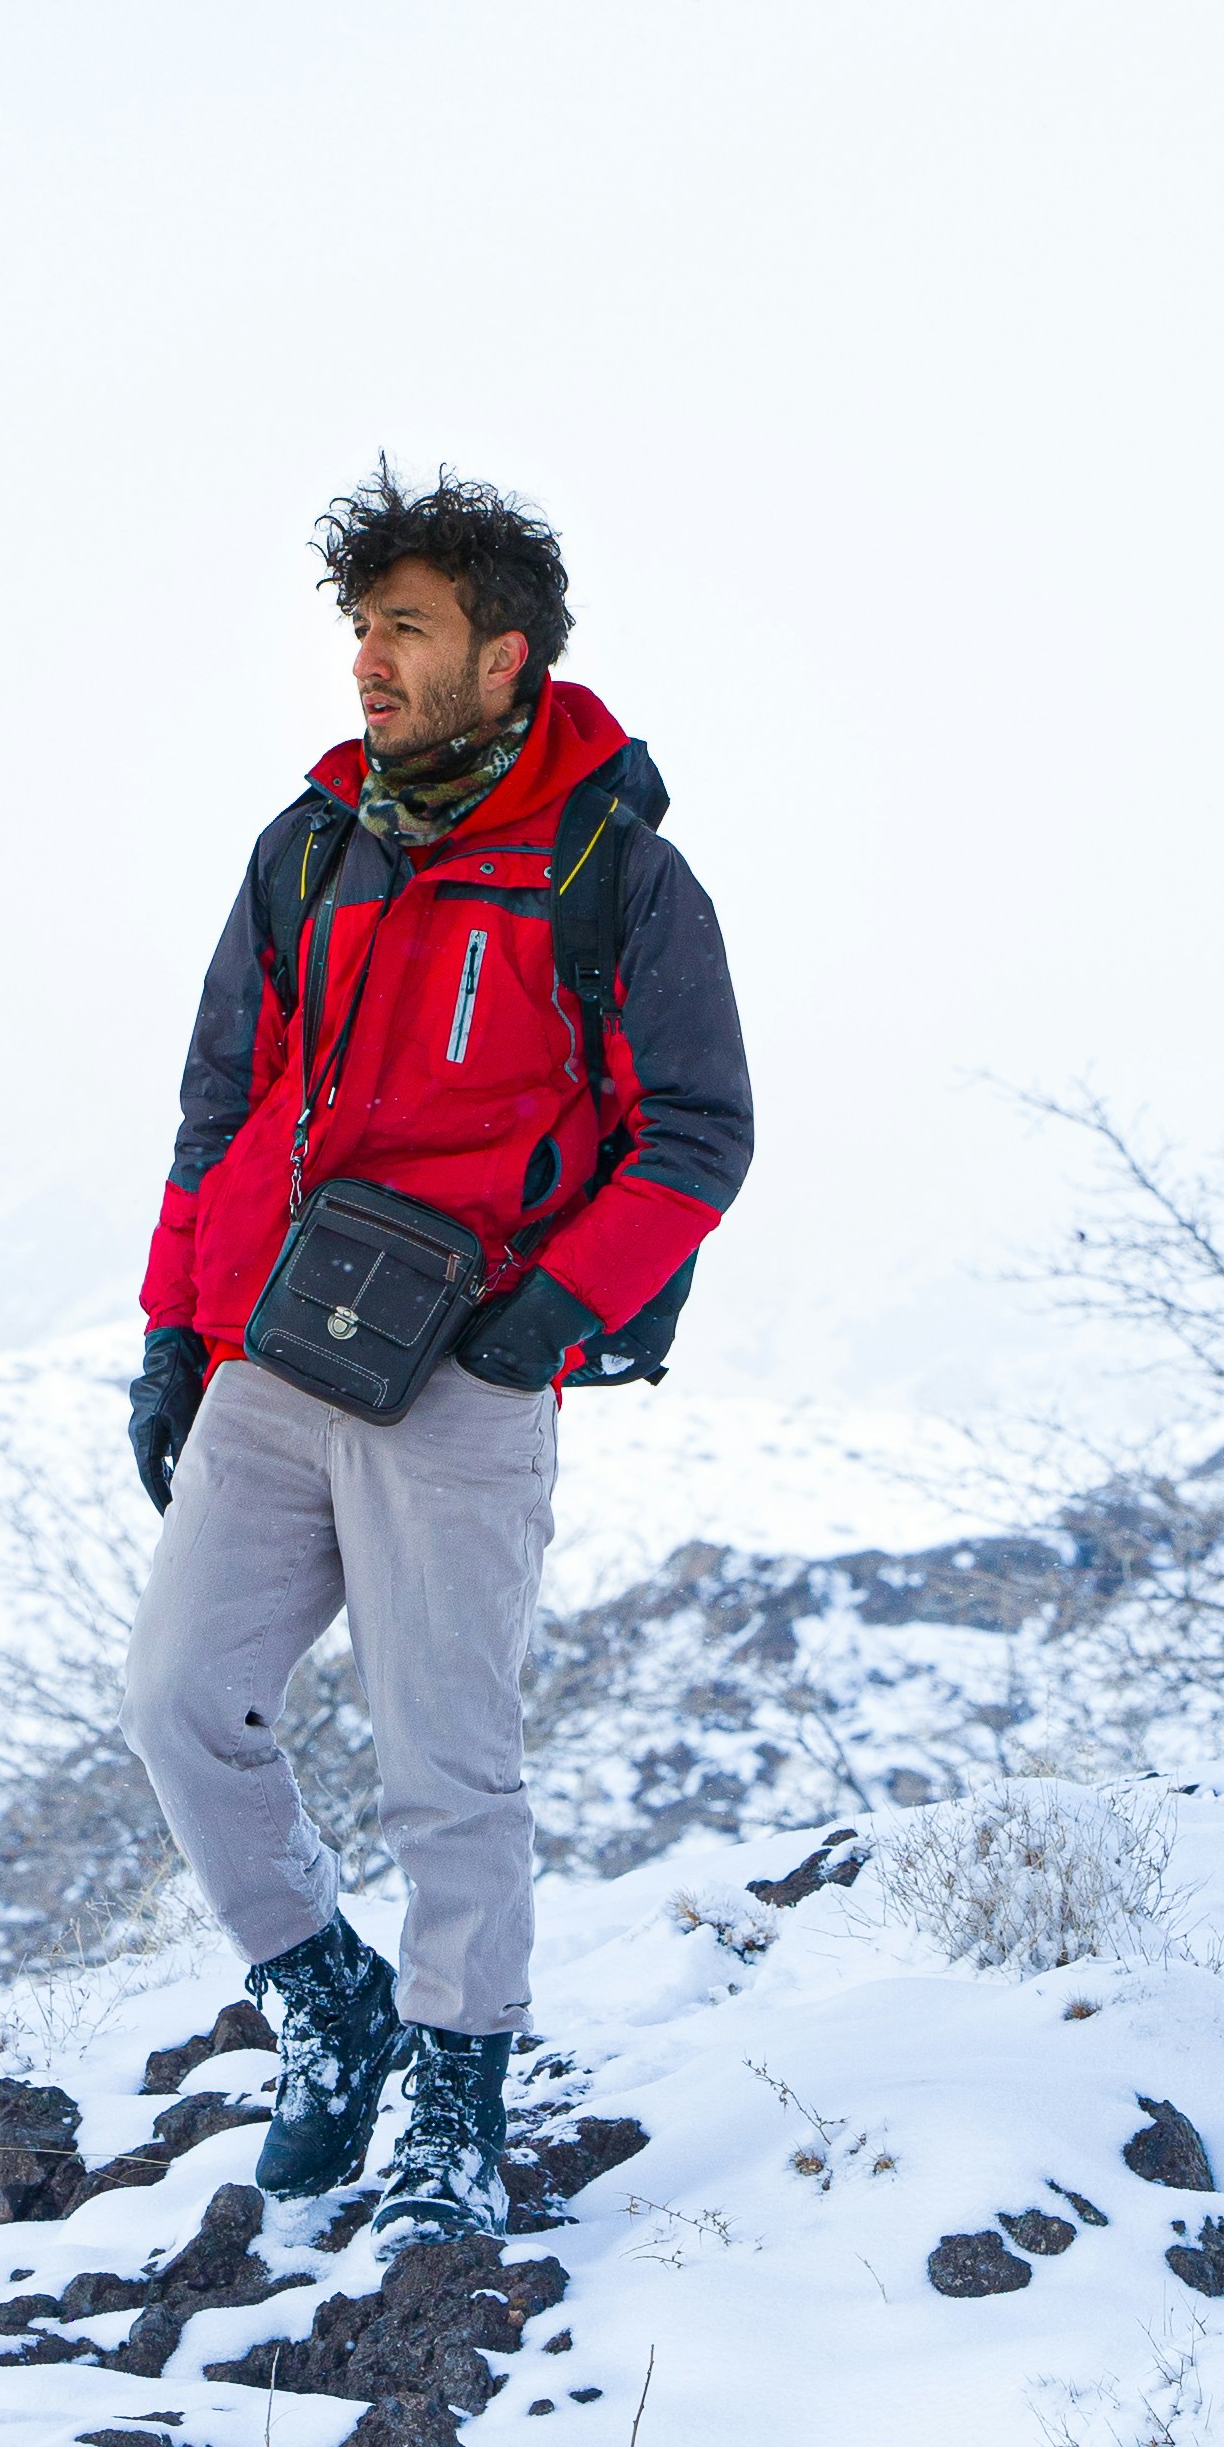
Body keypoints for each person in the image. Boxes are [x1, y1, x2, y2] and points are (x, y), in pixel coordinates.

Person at [118, 464, 753, 2243]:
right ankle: (327, 2009)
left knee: (443, 1765)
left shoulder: (614, 871)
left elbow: (698, 1133)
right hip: (272, 1354)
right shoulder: (309, 847)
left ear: (504, 654)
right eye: (359, 630)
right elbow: (220, 1104)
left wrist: (541, 1320)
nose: (368, 666)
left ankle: (455, 2108)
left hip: (466, 1375)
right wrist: (174, 1332)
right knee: (178, 1699)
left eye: (404, 629)